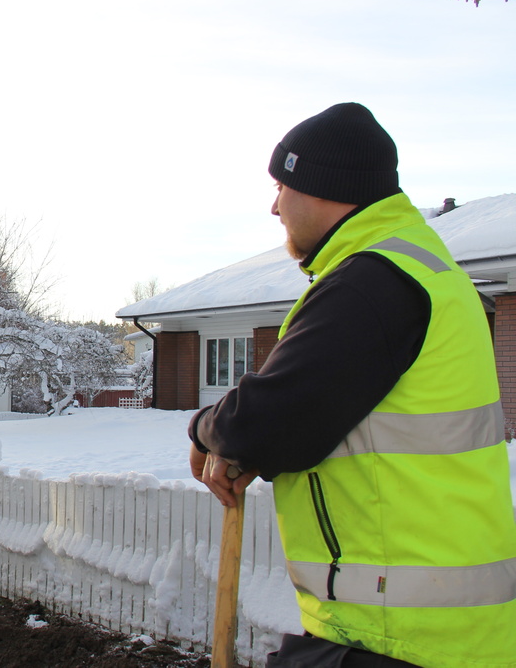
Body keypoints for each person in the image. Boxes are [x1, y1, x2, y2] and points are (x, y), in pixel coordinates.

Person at [187, 103, 516, 667]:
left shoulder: (372, 282)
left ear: (322, 188)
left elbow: (270, 422)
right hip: (439, 628)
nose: (274, 206)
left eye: (281, 186)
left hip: (403, 637)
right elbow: (321, 415)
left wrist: (207, 432)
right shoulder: (421, 270)